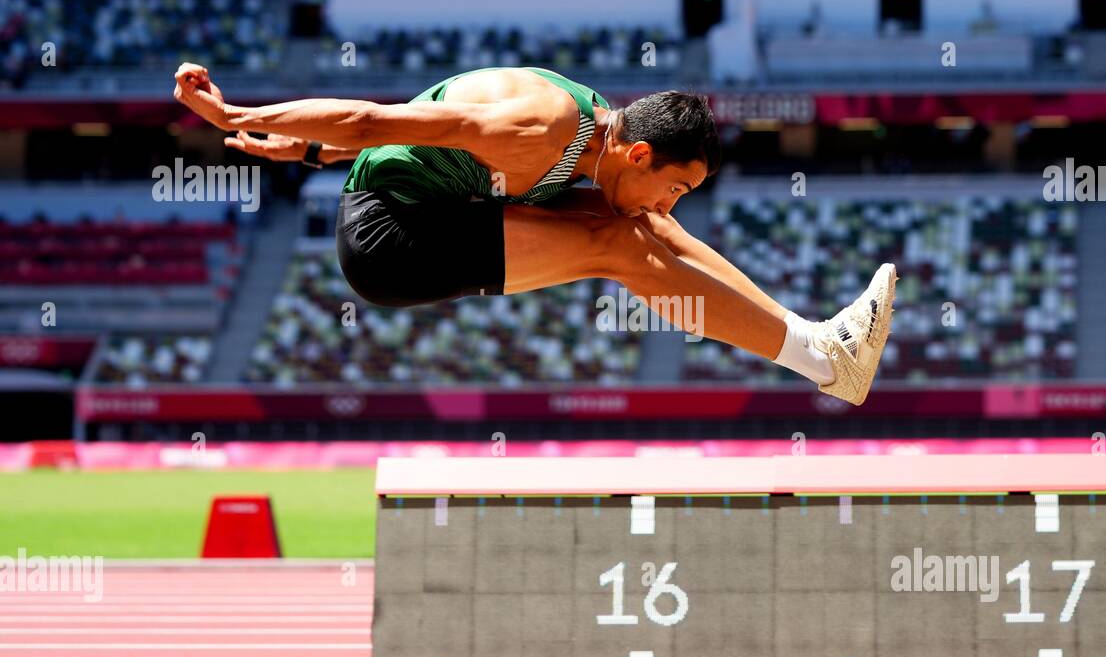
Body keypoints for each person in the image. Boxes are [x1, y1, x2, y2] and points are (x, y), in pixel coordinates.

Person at [172, 62, 896, 404]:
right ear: (638, 153)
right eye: (674, 186)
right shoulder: (537, 126)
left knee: (635, 228)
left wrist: (307, 153)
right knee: (619, 243)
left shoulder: (601, 139)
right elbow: (375, 121)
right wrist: (242, 117)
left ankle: (820, 346)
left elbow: (414, 150)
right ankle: (822, 361)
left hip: (426, 205)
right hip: (389, 238)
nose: (672, 204)